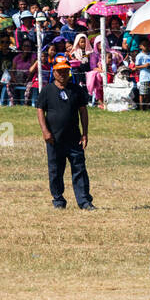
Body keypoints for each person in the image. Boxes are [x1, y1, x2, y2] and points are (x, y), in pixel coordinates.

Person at [36, 60, 94, 210]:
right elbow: (40, 110)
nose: (62, 74)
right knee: (55, 170)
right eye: (59, 71)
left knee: (79, 169)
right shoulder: (47, 90)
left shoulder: (76, 90)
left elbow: (83, 111)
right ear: (53, 72)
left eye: (65, 71)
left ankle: (84, 201)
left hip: (74, 138)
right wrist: (45, 131)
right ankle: (58, 200)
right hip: (54, 139)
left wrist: (85, 133)